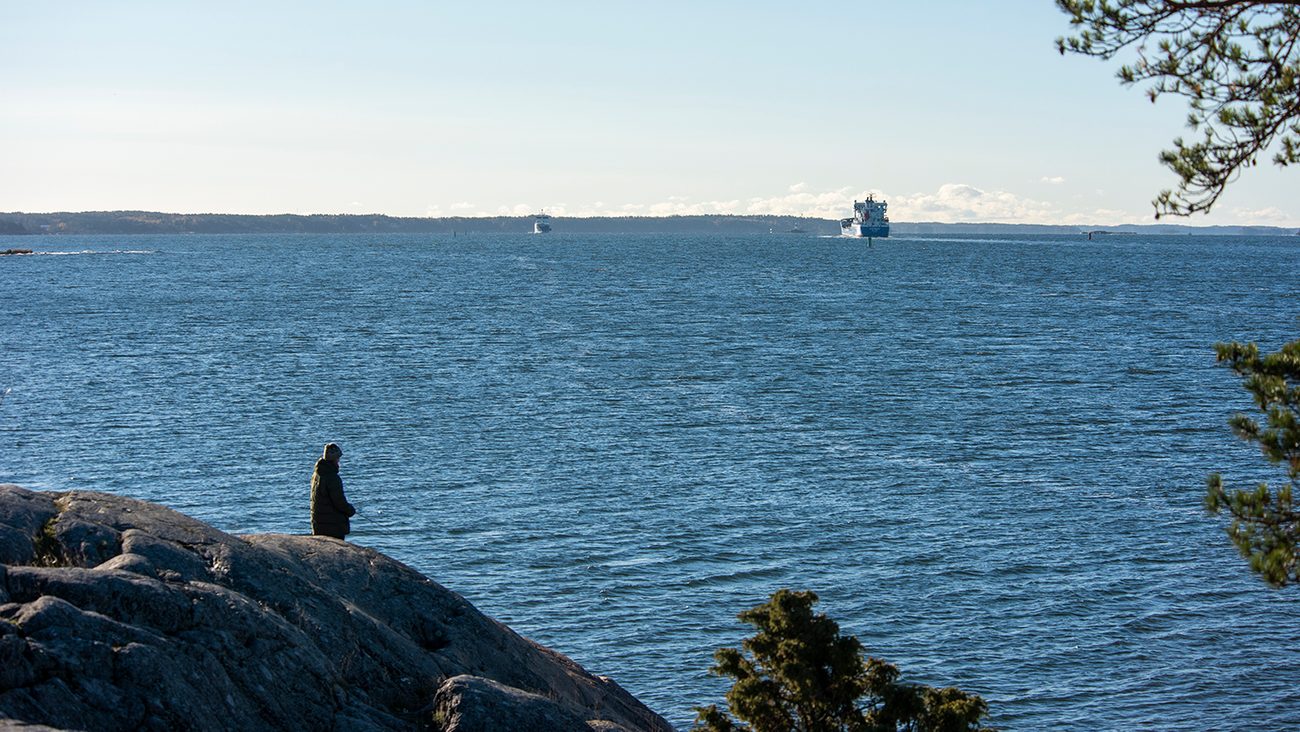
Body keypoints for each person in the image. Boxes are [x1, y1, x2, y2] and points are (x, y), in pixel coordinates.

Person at [310, 442, 356, 539]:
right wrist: (350, 510)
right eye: (338, 458)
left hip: (318, 524)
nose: (339, 461)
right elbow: (339, 502)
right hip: (332, 526)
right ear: (334, 459)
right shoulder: (332, 478)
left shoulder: (317, 474)